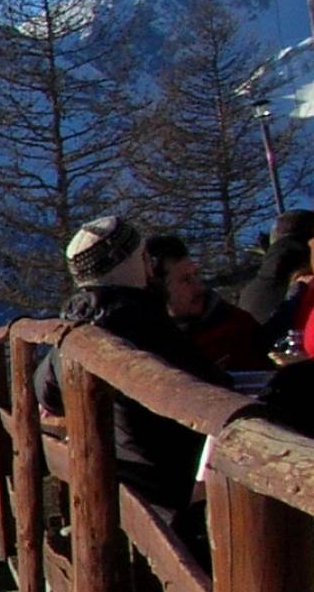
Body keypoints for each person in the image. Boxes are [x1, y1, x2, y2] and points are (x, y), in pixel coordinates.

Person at [34, 215, 229, 520]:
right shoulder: (141, 323)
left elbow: (45, 392)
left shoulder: (76, 328)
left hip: (129, 479)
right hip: (174, 486)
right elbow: (216, 393)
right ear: (134, 263)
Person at [146, 232, 269, 371]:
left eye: (196, 275)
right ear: (157, 290)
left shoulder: (238, 326)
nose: (199, 286)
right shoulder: (146, 344)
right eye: (186, 280)